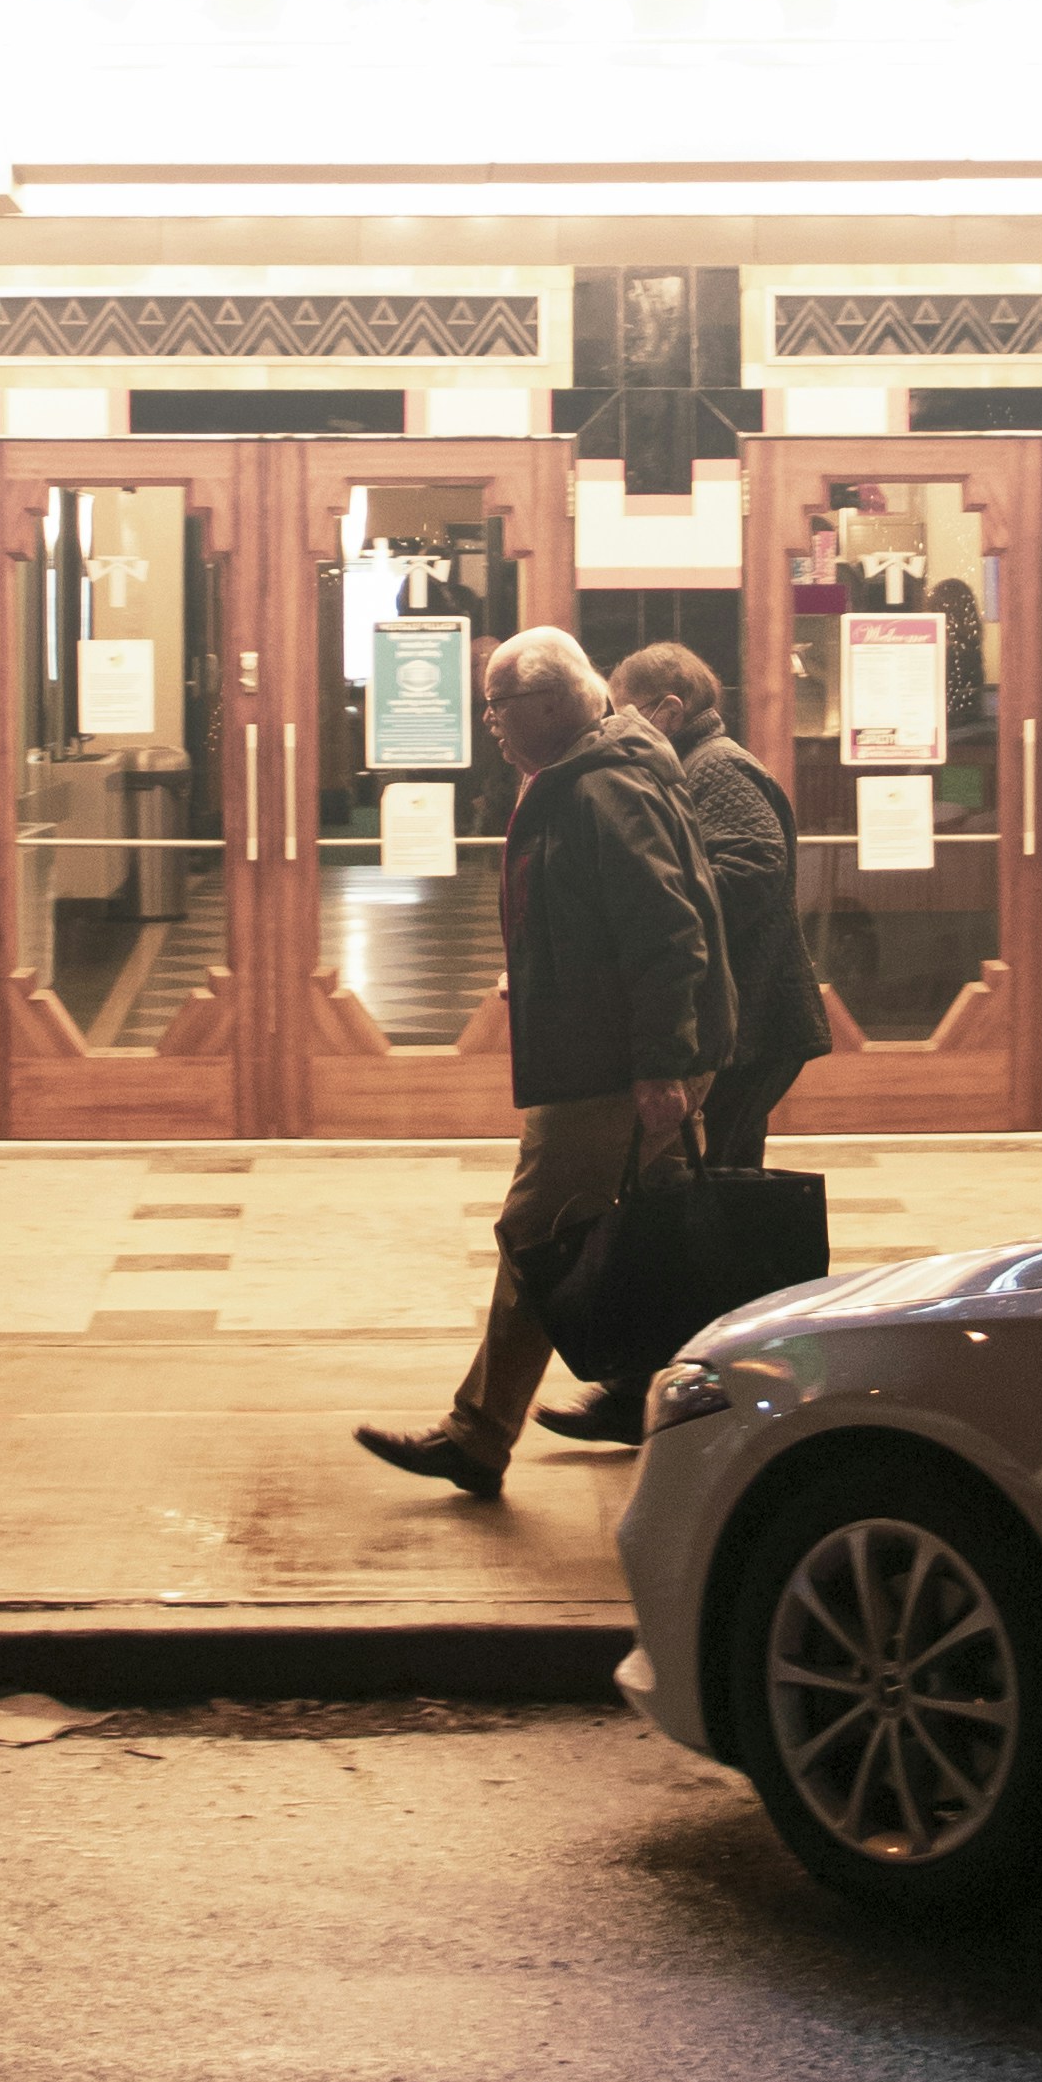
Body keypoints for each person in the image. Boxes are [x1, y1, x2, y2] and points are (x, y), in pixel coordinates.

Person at [355, 626, 729, 1505]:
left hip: (614, 1065)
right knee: (659, 1239)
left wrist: (663, 1064)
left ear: (555, 700)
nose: (490, 720)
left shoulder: (606, 786)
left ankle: (481, 1434)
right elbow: (595, 914)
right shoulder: (588, 775)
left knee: (537, 1230)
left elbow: (664, 931)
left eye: (500, 703)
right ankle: (691, 1411)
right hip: (615, 1050)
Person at [552, 640, 835, 1448]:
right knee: (694, 1208)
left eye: (621, 706)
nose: (611, 721)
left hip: (751, 1028)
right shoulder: (695, 765)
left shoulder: (718, 768)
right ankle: (664, 1389)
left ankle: (715, 1391)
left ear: (667, 710)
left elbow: (753, 865)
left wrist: (662, 891)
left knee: (710, 1216)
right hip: (740, 1025)